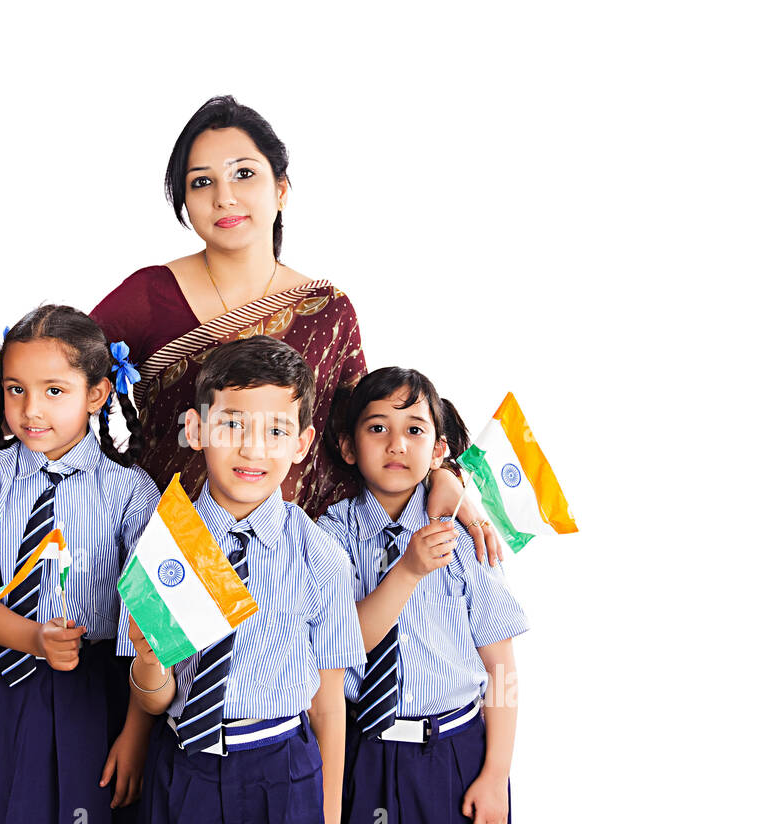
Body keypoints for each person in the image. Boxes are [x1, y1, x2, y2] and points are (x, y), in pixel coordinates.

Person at [90, 94, 504, 566]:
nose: (224, 196)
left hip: (293, 567)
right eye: (202, 182)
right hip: (166, 560)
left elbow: (362, 429)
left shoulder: (326, 312)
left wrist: (440, 475)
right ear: (185, 201)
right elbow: (51, 382)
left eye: (243, 174)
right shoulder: (149, 296)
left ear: (281, 188)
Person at [121, 335, 365, 824]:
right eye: (232, 423)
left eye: (276, 430)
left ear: (302, 443)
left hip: (284, 772)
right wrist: (148, 662)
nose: (253, 448)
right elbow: (153, 699)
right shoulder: (166, 540)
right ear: (196, 428)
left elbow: (328, 703)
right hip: (185, 765)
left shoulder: (320, 556)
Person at [0, 305, 160, 824]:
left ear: (98, 394)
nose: (30, 411)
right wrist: (32, 637)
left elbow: (155, 625)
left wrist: (135, 733)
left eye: (54, 391)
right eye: (15, 390)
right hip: (5, 684)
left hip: (105, 691)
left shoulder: (131, 492)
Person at [316, 367, 529, 824]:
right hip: (363, 754)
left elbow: (501, 668)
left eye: (415, 429)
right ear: (348, 447)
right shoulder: (330, 536)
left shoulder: (465, 535)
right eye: (377, 428)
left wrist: (495, 773)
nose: (396, 444)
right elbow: (343, 642)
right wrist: (408, 571)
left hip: (456, 754)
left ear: (437, 451)